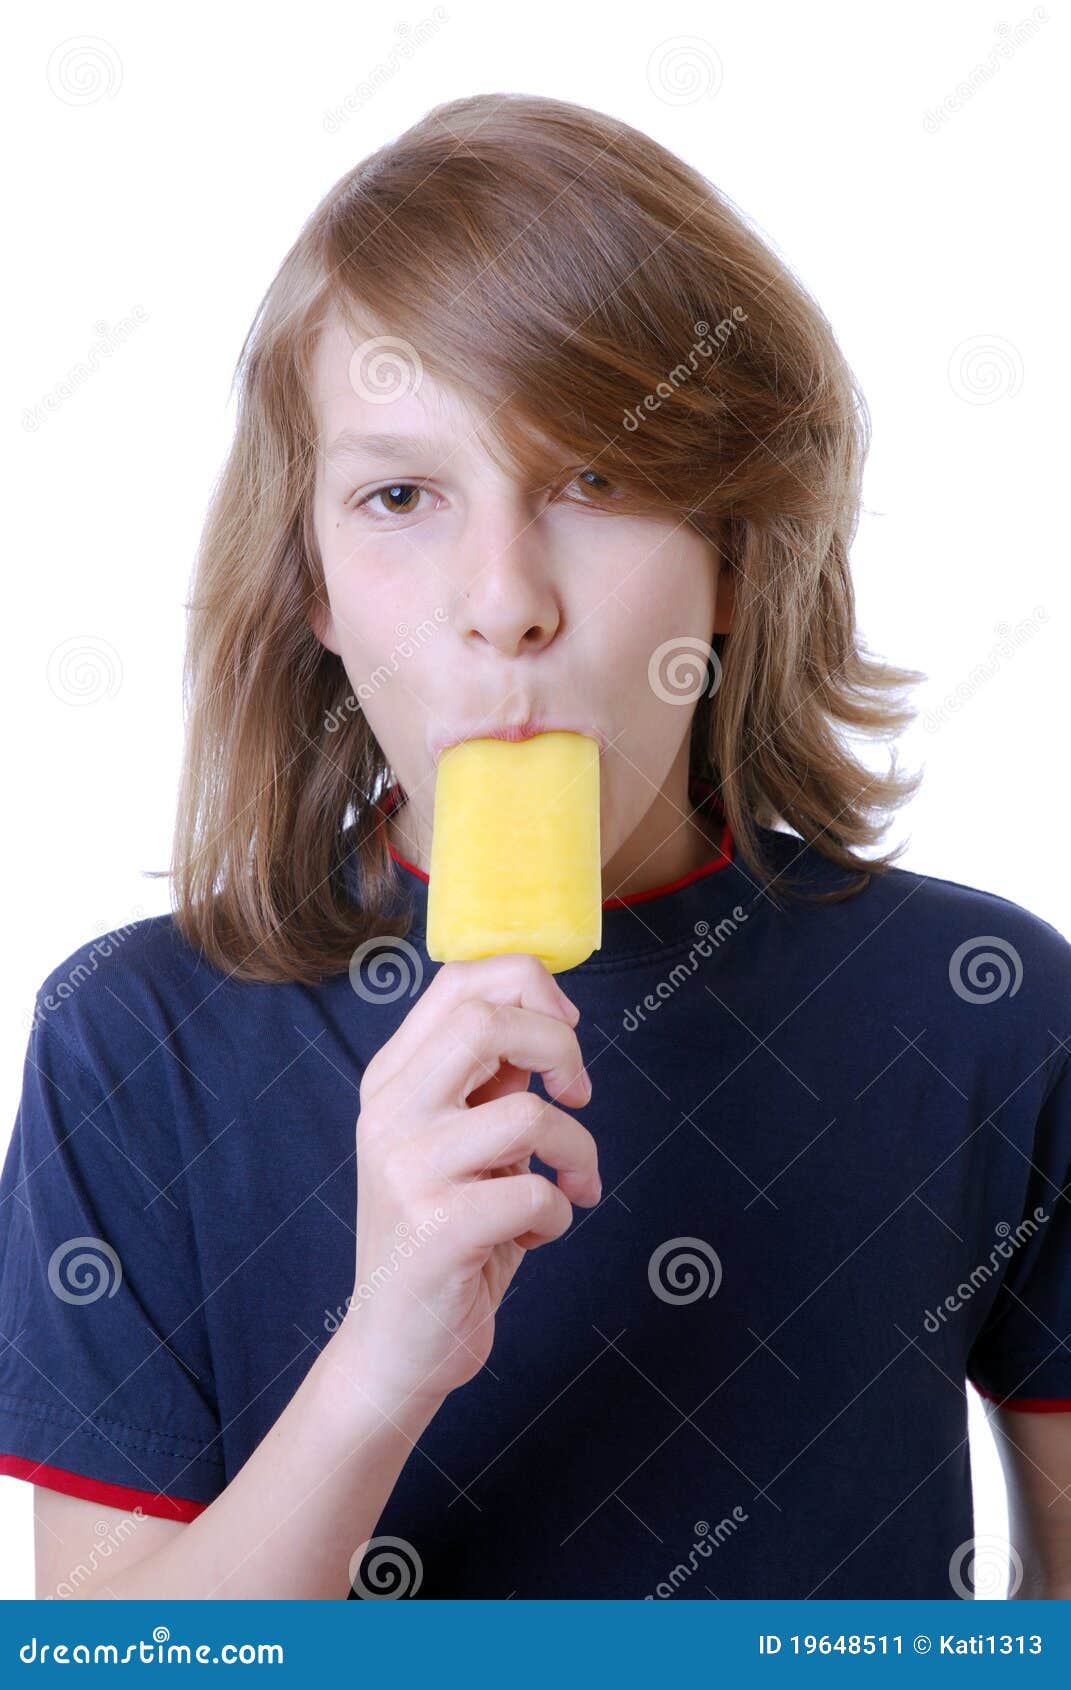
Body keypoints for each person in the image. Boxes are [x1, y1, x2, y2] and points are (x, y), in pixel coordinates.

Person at [1, 92, 1069, 1602]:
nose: (505, 599)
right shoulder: (132, 1040)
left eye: (597, 479)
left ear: (735, 557)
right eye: (401, 494)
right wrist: (385, 1355)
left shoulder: (995, 1008)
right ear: (310, 586)